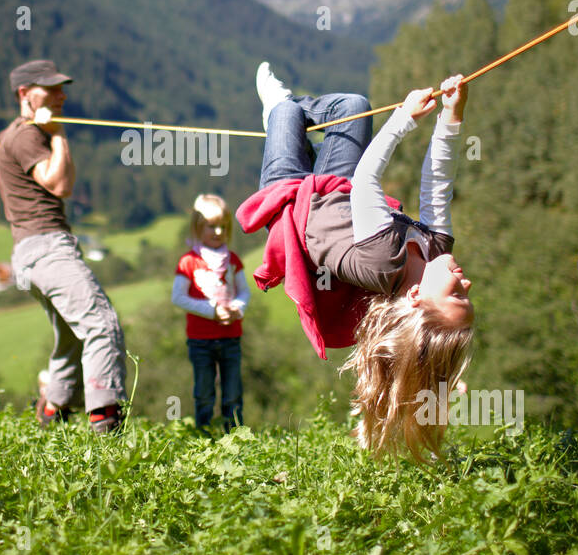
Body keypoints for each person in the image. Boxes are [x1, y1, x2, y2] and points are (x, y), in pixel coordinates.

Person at [236, 62, 474, 460]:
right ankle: (299, 125)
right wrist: (452, 115)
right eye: (467, 293)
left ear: (415, 296)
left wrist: (402, 120)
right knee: (353, 104)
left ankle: (282, 118)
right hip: (337, 189)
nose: (465, 282)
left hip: (295, 199)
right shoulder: (437, 249)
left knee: (285, 111)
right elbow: (437, 185)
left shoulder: (383, 263)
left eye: (456, 293)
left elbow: (367, 181)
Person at [0, 59, 128, 434]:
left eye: (63, 87)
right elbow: (60, 185)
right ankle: (105, 423)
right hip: (47, 250)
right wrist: (59, 133)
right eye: (51, 88)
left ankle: (51, 416)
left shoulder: (15, 131)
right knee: (101, 324)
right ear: (24, 94)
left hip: (30, 257)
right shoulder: (30, 134)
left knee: (70, 338)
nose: (62, 95)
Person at [172, 194, 250, 430]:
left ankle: (234, 434)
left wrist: (238, 307)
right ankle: (203, 432)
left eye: (223, 227)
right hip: (200, 340)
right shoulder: (188, 262)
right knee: (204, 392)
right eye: (211, 226)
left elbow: (244, 291)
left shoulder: (233, 260)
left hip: (231, 337)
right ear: (197, 227)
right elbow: (178, 297)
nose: (218, 232)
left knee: (233, 392)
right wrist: (212, 311)